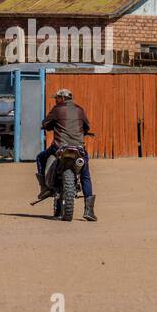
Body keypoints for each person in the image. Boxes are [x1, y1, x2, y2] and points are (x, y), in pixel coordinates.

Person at [35, 88, 96, 221]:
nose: (55, 100)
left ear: (62, 98)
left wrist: (48, 126)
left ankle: (44, 187)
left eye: (56, 98)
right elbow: (86, 128)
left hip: (60, 146)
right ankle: (89, 210)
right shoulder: (79, 110)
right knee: (85, 175)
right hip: (78, 148)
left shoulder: (57, 109)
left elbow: (46, 123)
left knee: (40, 157)